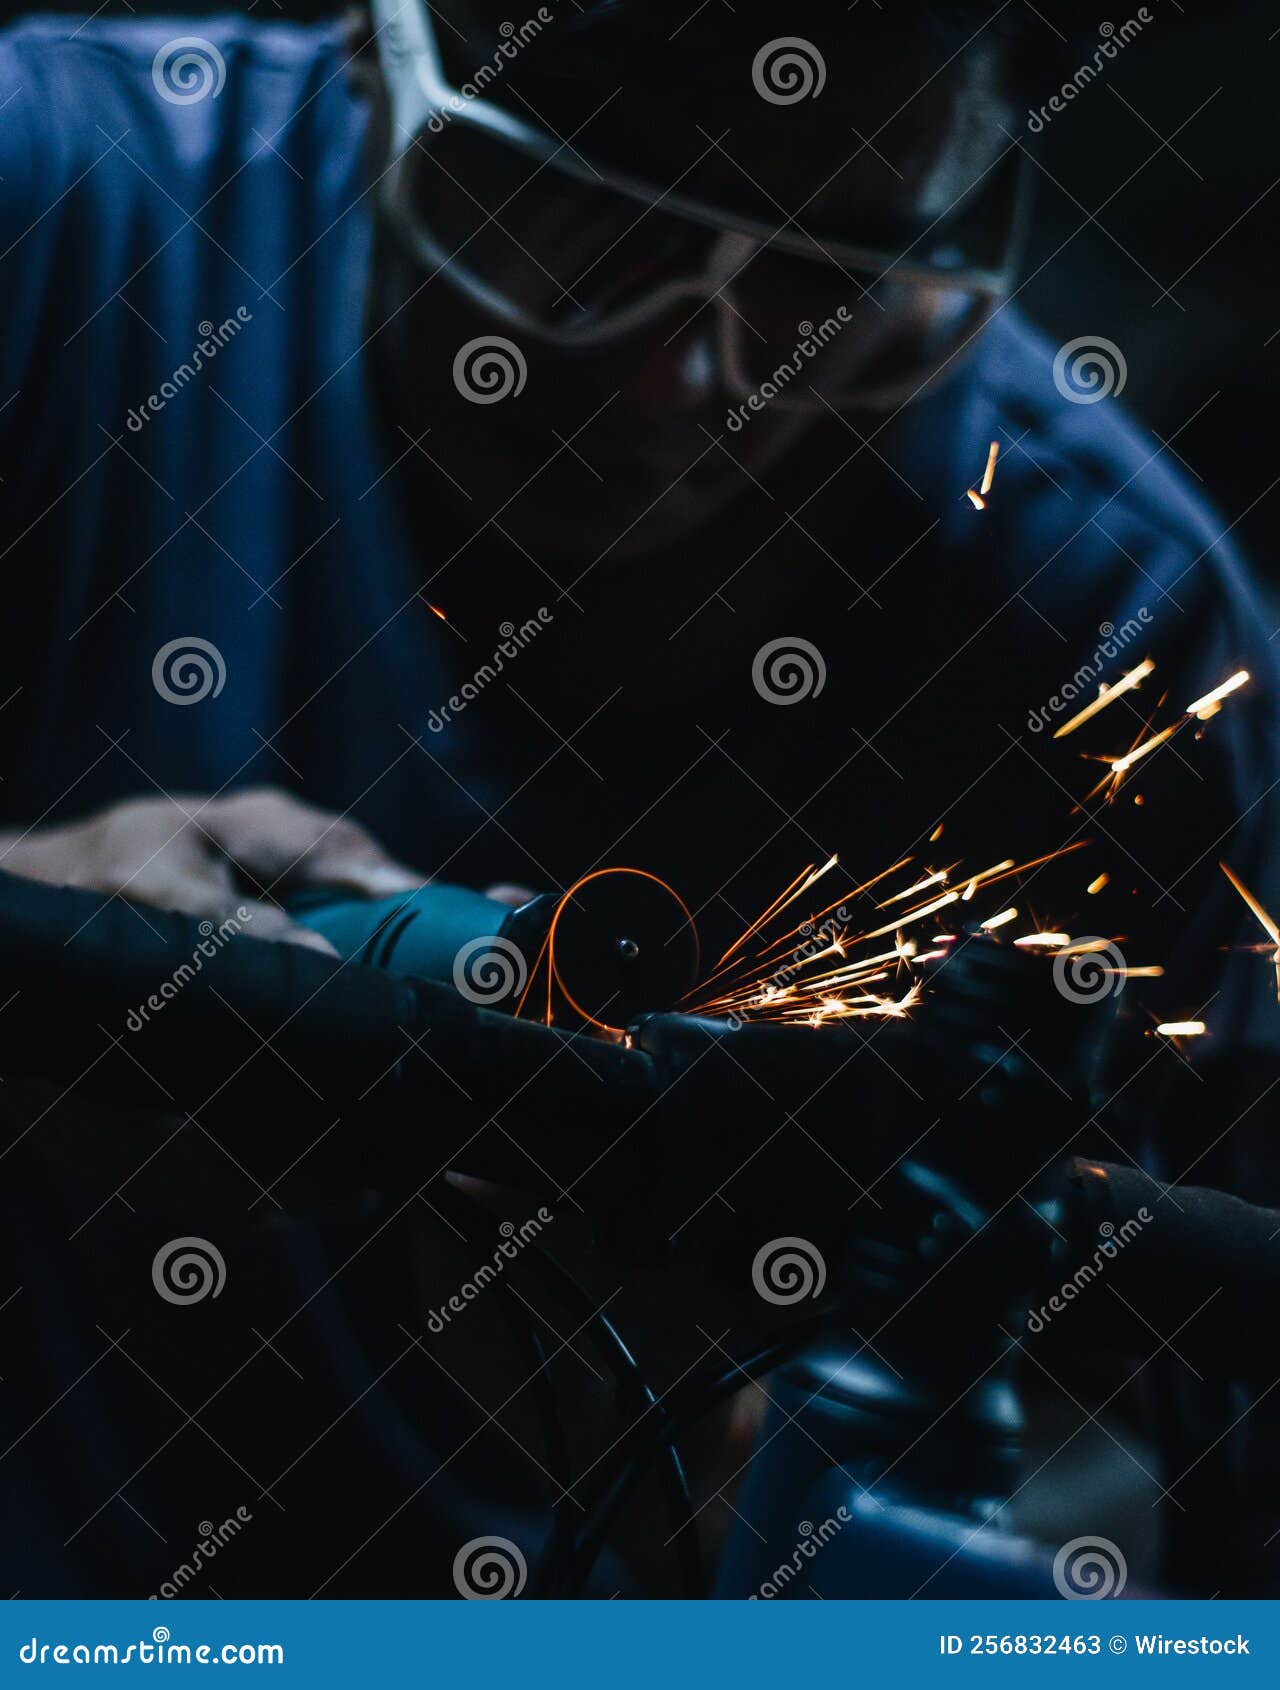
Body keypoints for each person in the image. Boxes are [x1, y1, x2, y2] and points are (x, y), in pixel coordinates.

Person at [0, 0, 1274, 1596]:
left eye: (821, 275)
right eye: (579, 208)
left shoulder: (1106, 636)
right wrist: (45, 942)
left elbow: (1148, 1450)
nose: (682, 378)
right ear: (379, 45)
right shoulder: (60, 208)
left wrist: (777, 1484)